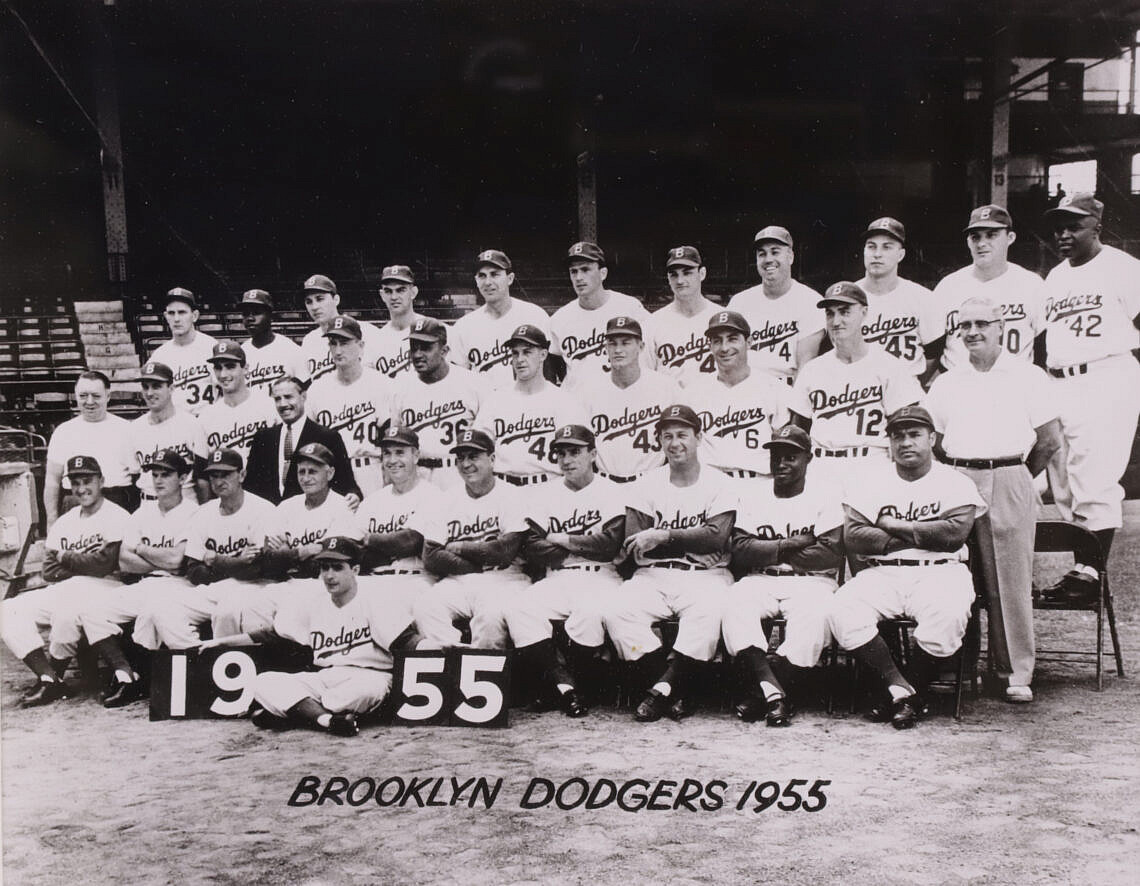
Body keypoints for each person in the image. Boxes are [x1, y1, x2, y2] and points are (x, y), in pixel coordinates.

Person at [927, 296, 1062, 702]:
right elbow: (933, 438)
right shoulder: (948, 380)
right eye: (964, 326)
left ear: (1001, 326)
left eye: (981, 324)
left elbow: (1050, 439)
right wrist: (956, 477)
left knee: (1009, 580)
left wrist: (1016, 477)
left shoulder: (1028, 375)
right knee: (956, 575)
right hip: (959, 476)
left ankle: (1014, 672)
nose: (972, 332)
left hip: (1009, 474)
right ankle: (959, 668)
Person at [828, 406, 985, 729]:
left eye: (914, 435)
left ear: (932, 438)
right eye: (898, 436)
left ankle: (904, 692)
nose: (906, 443)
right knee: (842, 609)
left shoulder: (954, 481)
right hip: (883, 572)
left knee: (948, 613)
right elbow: (855, 536)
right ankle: (904, 691)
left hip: (940, 570)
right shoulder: (871, 481)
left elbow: (954, 535)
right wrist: (922, 533)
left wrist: (889, 524)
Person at [210, 535, 420, 737]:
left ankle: (298, 712)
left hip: (370, 675)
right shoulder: (313, 601)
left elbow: (407, 641)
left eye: (337, 567)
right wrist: (222, 642)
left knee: (364, 691)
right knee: (262, 682)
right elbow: (272, 635)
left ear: (355, 569)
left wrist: (440, 647)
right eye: (324, 567)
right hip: (326, 676)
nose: (329, 575)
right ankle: (327, 720)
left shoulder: (374, 599)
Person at [606, 404, 737, 722]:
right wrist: (692, 540)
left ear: (698, 438)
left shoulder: (720, 482)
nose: (675, 443)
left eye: (682, 435)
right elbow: (636, 544)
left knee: (707, 614)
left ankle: (659, 691)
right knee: (617, 612)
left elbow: (716, 538)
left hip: (706, 575)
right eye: (667, 436)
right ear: (659, 442)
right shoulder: (647, 483)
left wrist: (662, 536)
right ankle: (675, 687)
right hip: (653, 575)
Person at [1039, 193, 1140, 597]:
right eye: (1059, 227)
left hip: (1106, 374)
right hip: (1061, 380)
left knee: (1095, 476)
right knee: (1063, 480)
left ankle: (1088, 575)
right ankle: (1084, 567)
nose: (1063, 234)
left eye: (1074, 226)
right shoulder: (1057, 276)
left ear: (1097, 225)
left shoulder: (1123, 268)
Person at [722, 425, 844, 726]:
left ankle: (762, 689)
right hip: (761, 578)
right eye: (776, 456)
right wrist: (793, 544)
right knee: (735, 602)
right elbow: (740, 549)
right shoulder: (752, 493)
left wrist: (766, 547)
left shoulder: (826, 494)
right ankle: (775, 693)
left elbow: (828, 553)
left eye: (791, 457)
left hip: (812, 581)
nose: (781, 464)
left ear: (809, 459)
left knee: (816, 614)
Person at [508, 424, 626, 717]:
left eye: (575, 452)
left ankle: (573, 687)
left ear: (593, 454)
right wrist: (583, 544)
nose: (567, 460)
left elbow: (609, 546)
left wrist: (562, 539)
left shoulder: (612, 491)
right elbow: (532, 546)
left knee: (589, 614)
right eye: (561, 453)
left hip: (600, 575)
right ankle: (566, 687)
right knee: (520, 608)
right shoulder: (543, 493)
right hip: (559, 576)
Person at [2, 456, 129, 705]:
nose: (81, 489)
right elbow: (49, 570)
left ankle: (55, 674)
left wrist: (66, 557)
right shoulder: (66, 520)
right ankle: (50, 679)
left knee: (67, 613)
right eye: (76, 482)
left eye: (88, 481)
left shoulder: (116, 516)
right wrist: (87, 562)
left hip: (108, 587)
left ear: (101, 481)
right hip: (67, 587)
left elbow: (106, 564)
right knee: (7, 610)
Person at [79, 449, 199, 707]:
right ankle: (127, 676)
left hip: (180, 585)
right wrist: (159, 558)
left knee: (153, 612)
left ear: (183, 477)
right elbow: (124, 561)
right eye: (154, 474)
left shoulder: (193, 512)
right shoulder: (142, 512)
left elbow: (178, 561)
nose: (158, 480)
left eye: (166, 474)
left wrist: (142, 549)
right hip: (149, 582)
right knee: (92, 611)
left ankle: (146, 680)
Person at [789, 282, 923, 490]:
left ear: (864, 312)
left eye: (844, 312)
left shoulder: (889, 366)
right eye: (830, 314)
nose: (836, 321)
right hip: (822, 466)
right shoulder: (813, 370)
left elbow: (907, 426)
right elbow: (799, 430)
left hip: (872, 463)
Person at [142, 448, 277, 649]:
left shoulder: (263, 510)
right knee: (160, 609)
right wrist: (236, 562)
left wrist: (215, 560)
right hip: (217, 587)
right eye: (214, 475)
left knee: (228, 610)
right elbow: (194, 571)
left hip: (256, 587)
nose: (219, 481)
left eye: (226, 474)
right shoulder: (204, 513)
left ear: (242, 475)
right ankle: (196, 655)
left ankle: (226, 665)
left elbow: (256, 568)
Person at [413, 429, 530, 649]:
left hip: (504, 579)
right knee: (425, 606)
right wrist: (479, 562)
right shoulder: (446, 499)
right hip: (460, 580)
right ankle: (450, 661)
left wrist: (460, 547)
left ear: (492, 459)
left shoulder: (512, 495)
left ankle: (486, 677)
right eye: (461, 458)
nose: (466, 464)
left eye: (473, 456)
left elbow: (505, 551)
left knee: (491, 617)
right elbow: (431, 556)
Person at [931, 205, 1045, 374]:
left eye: (991, 235)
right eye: (975, 237)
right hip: (960, 384)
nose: (982, 243)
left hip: (1014, 383)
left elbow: (1044, 347)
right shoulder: (948, 286)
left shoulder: (1032, 284)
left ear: (1010, 237)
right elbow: (933, 347)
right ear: (968, 241)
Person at [474, 324, 586, 486]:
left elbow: (580, 457)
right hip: (505, 487)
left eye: (527, 352)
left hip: (548, 485)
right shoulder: (495, 400)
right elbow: (479, 448)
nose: (520, 360)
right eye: (515, 353)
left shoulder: (564, 401)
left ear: (543, 354)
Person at [682, 310, 788, 478]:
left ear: (749, 342)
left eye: (732, 339)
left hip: (759, 483)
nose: (724, 348)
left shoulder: (774, 388)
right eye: (717, 341)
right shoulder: (692, 393)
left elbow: (786, 447)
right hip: (711, 484)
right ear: (709, 346)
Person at [388, 317, 484, 489]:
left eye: (426, 348)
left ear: (444, 350)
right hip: (418, 475)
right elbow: (395, 439)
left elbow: (487, 440)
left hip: (459, 472)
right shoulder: (401, 385)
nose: (417, 355)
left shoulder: (473, 384)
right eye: (414, 348)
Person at [583, 316, 681, 483]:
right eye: (612, 343)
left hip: (653, 480)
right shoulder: (588, 390)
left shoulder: (666, 387)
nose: (618, 349)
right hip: (606, 483)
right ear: (605, 347)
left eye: (626, 342)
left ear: (641, 347)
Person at [354, 425, 442, 607]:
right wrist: (389, 547)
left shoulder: (433, 495)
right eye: (387, 453)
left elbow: (411, 542)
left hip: (414, 580)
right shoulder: (372, 501)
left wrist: (368, 539)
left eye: (400, 453)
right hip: (373, 579)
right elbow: (352, 549)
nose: (392, 460)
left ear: (416, 456)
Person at [727, 225, 826, 385]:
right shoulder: (739, 302)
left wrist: (794, 405)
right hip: (747, 389)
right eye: (762, 254)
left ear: (790, 257)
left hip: (787, 387)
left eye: (775, 252)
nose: (768, 260)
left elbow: (806, 365)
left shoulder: (810, 301)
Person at [304, 316, 391, 496]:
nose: (337, 350)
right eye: (332, 343)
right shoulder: (317, 389)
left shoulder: (383, 385)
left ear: (361, 345)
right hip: (333, 474)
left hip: (371, 470)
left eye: (344, 343)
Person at [550, 241, 653, 389]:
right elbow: (556, 365)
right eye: (574, 271)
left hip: (621, 397)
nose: (579, 277)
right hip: (579, 403)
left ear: (603, 273)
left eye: (585, 269)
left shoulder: (630, 307)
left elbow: (649, 353)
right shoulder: (559, 318)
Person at [243, 375, 361, 506]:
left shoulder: (327, 437)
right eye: (277, 399)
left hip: (309, 515)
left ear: (303, 396)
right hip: (270, 517)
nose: (283, 404)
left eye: (288, 397)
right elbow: (250, 485)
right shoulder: (263, 438)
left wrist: (353, 495)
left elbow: (346, 482)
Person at [854, 217, 941, 383]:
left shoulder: (922, 297)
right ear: (864, 251)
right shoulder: (849, 296)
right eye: (871, 246)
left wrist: (909, 387)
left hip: (907, 391)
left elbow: (934, 353)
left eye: (887, 247)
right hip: (859, 391)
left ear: (901, 255)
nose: (877, 254)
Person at [43, 370, 136, 524]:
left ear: (108, 396)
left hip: (116, 500)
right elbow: (52, 480)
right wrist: (51, 520)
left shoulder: (127, 429)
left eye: (96, 396)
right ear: (75, 396)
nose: (90, 401)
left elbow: (137, 476)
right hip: (75, 502)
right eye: (83, 396)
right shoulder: (63, 431)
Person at [450, 249, 553, 387]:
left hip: (527, 404)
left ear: (510, 278)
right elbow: (459, 379)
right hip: (486, 406)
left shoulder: (534, 315)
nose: (488, 282)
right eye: (482, 276)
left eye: (494, 274)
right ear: (476, 281)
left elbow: (549, 370)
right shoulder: (464, 326)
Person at [129, 361, 209, 505]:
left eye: (156, 386)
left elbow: (202, 480)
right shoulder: (134, 428)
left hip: (185, 502)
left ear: (171, 388)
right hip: (148, 503)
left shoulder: (191, 424)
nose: (149, 393)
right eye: (145, 387)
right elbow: (134, 476)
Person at [645, 246, 721, 387]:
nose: (680, 280)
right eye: (674, 274)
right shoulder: (652, 323)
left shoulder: (721, 317)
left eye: (687, 273)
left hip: (714, 402)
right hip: (670, 404)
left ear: (702, 273)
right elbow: (646, 375)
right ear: (668, 278)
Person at [197, 341, 279, 463]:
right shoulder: (206, 417)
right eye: (218, 368)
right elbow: (201, 472)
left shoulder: (269, 407)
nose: (223, 374)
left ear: (245, 369)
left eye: (230, 366)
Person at [298, 274, 384, 385]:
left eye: (320, 299)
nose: (314, 307)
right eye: (309, 301)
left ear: (336, 299)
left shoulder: (367, 331)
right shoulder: (309, 341)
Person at [148, 287, 219, 415]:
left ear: (195, 316)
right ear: (165, 316)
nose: (176, 319)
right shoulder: (159, 356)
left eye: (182, 312)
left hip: (208, 422)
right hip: (175, 426)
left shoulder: (212, 347)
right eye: (171, 313)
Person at [238, 288, 306, 397]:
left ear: (271, 316)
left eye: (256, 313)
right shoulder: (241, 352)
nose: (250, 318)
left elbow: (304, 391)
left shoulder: (291, 350)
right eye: (246, 314)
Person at [371, 265, 426, 379]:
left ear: (413, 292)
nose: (394, 297)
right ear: (382, 295)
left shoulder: (432, 330)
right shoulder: (374, 340)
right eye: (388, 291)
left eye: (401, 290)